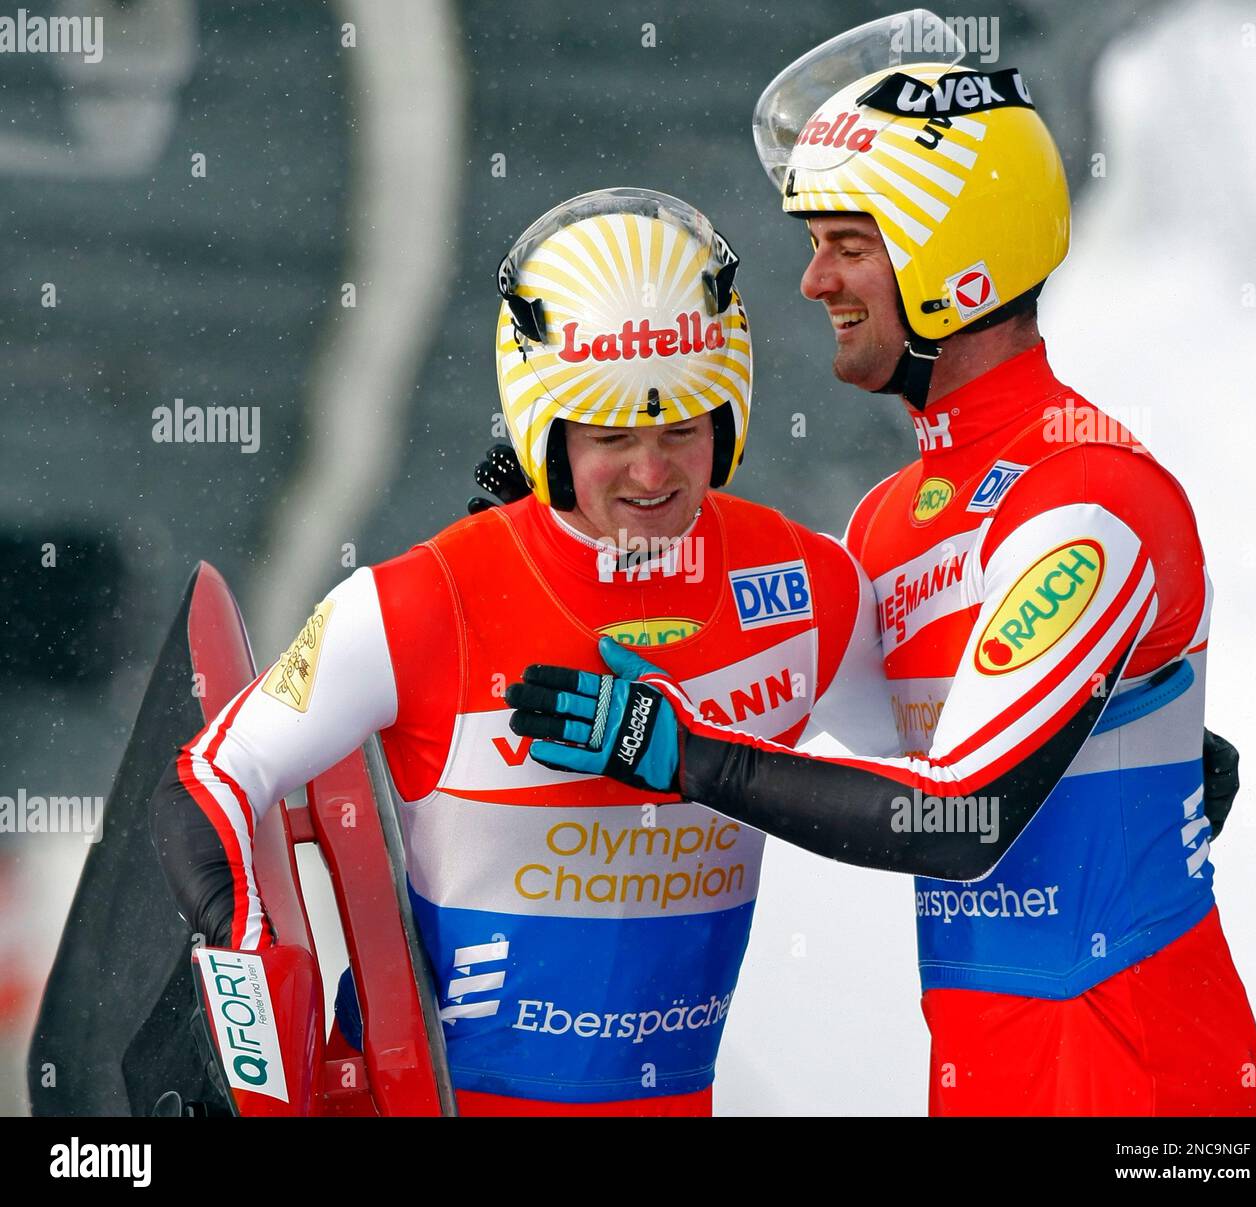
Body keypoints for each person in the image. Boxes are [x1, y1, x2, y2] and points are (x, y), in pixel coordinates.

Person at [507, 14, 1256, 1116]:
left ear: (958, 267)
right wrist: (550, 526)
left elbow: (958, 818)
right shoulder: (888, 521)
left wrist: (686, 760)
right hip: (992, 1075)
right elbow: (768, 687)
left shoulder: (1086, 494)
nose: (813, 280)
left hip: (1142, 1089)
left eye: (847, 243)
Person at [147, 187, 898, 1117]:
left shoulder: (810, 585)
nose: (653, 472)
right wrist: (247, 943)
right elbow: (206, 778)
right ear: (546, 429)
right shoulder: (418, 603)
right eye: (612, 436)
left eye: (684, 428)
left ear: (731, 415)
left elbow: (934, 782)